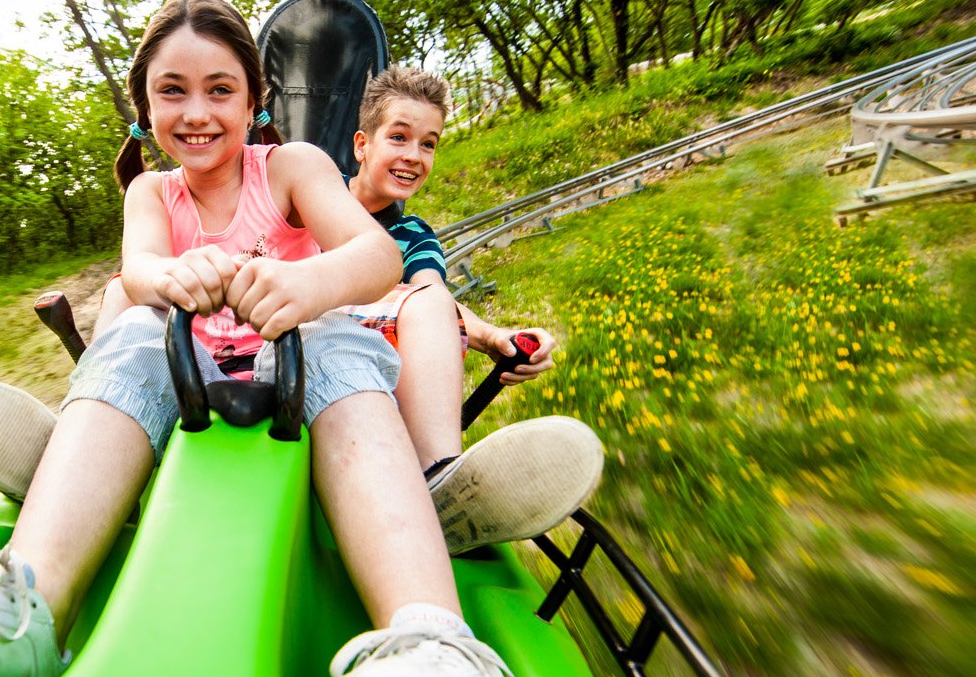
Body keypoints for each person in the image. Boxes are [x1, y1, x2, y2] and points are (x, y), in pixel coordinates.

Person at [0, 0, 533, 677]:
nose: (197, 112)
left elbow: (376, 256)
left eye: (219, 90)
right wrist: (172, 276)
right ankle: (19, 617)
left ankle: (432, 638)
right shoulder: (152, 196)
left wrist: (309, 284)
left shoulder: (293, 167)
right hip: (185, 380)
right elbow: (139, 270)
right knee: (135, 325)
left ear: (253, 99)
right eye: (173, 91)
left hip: (296, 376)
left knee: (335, 336)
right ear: (145, 106)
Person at [78, 66, 603, 553]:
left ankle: (436, 475)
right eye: (398, 138)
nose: (413, 156)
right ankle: (83, 442)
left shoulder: (410, 236)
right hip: (257, 338)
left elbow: (429, 296)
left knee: (419, 304)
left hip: (338, 347)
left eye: (428, 145)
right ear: (361, 146)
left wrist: (489, 335)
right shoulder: (311, 197)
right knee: (122, 288)